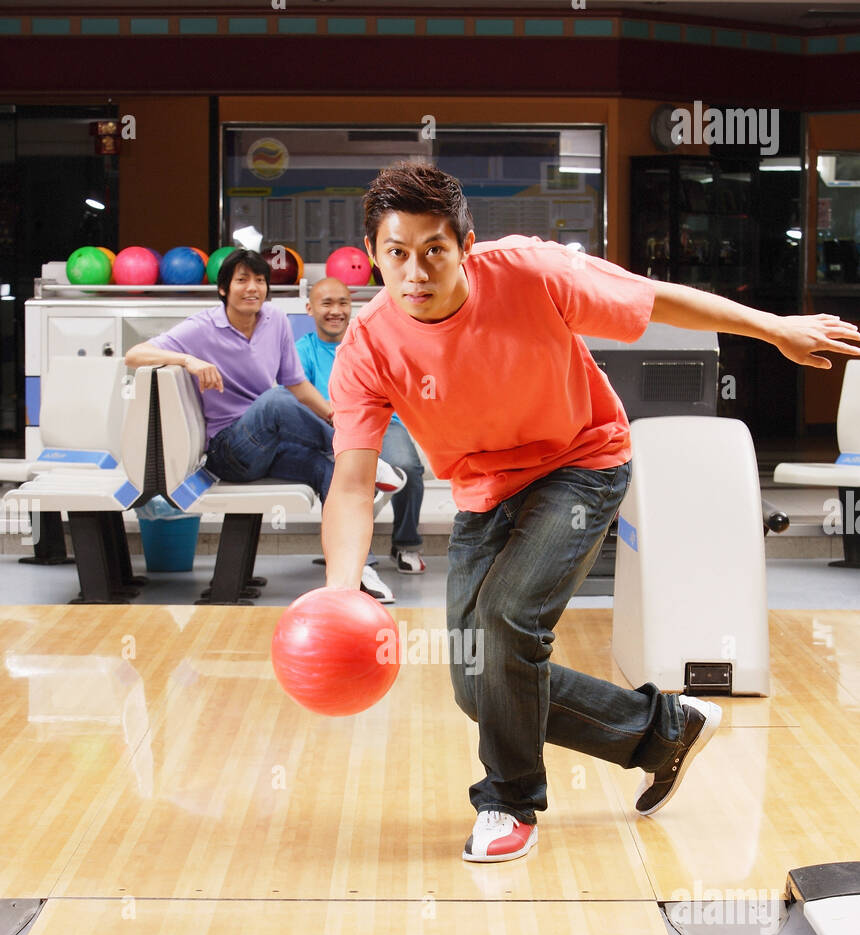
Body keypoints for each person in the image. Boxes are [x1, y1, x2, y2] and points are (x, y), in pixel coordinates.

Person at [323, 162, 860, 865]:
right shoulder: (367, 344)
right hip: (484, 491)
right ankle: (660, 731)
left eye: (434, 250)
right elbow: (354, 484)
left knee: (506, 622)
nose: (416, 271)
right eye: (397, 253)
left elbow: (657, 299)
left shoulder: (529, 271)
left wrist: (772, 326)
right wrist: (339, 594)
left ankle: (507, 803)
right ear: (375, 256)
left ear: (466, 245)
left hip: (581, 462)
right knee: (475, 677)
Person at [123, 247, 404, 603]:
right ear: (224, 288)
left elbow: (298, 386)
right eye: (242, 280)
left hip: (268, 445)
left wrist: (339, 418)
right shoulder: (203, 326)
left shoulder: (275, 322)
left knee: (329, 470)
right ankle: (366, 459)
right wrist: (188, 360)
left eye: (259, 279)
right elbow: (134, 355)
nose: (252, 287)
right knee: (273, 401)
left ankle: (357, 570)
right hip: (228, 450)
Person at [298, 276, 426, 575]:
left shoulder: (368, 343)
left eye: (343, 303)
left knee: (408, 469)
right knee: (350, 477)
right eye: (326, 303)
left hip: (383, 423)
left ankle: (406, 544)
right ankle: (354, 558)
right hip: (332, 430)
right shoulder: (302, 350)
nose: (336, 310)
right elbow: (296, 398)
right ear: (310, 308)